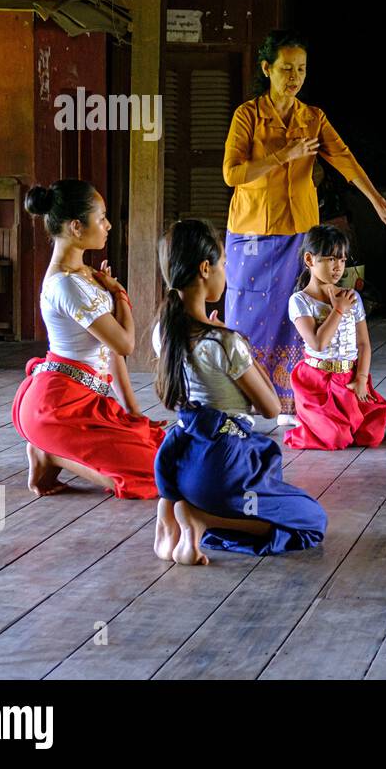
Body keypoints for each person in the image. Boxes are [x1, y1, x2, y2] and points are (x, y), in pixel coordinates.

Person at [222, 30, 386, 417]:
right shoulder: (248, 115)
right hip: (252, 230)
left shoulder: (313, 117)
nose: (294, 77)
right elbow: (232, 173)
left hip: (300, 232)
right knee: (248, 311)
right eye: (286, 68)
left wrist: (378, 202)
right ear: (266, 69)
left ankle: (293, 399)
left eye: (301, 69)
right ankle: (243, 399)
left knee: (297, 313)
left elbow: (344, 159)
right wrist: (283, 155)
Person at [151, 219, 326, 566]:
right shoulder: (223, 342)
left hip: (180, 465)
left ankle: (173, 513)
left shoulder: (163, 332)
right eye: (223, 264)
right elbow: (271, 407)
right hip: (222, 469)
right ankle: (204, 521)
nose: (226, 271)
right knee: (312, 519)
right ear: (205, 269)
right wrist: (238, 341)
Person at [12, 180, 164, 499]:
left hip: (86, 400)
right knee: (156, 476)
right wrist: (120, 293)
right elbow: (124, 344)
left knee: (166, 453)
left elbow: (112, 352)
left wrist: (133, 412)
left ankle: (53, 451)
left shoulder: (87, 276)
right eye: (102, 217)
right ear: (76, 227)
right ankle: (48, 453)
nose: (108, 225)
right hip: (57, 406)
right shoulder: (66, 286)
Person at [285, 224, 386, 450]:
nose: (337, 267)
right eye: (330, 259)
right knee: (336, 438)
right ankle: (307, 419)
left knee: (372, 435)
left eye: (342, 260)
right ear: (310, 260)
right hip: (317, 382)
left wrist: (361, 379)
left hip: (349, 378)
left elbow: (363, 344)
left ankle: (330, 418)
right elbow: (318, 343)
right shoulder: (300, 301)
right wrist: (338, 310)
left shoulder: (353, 298)